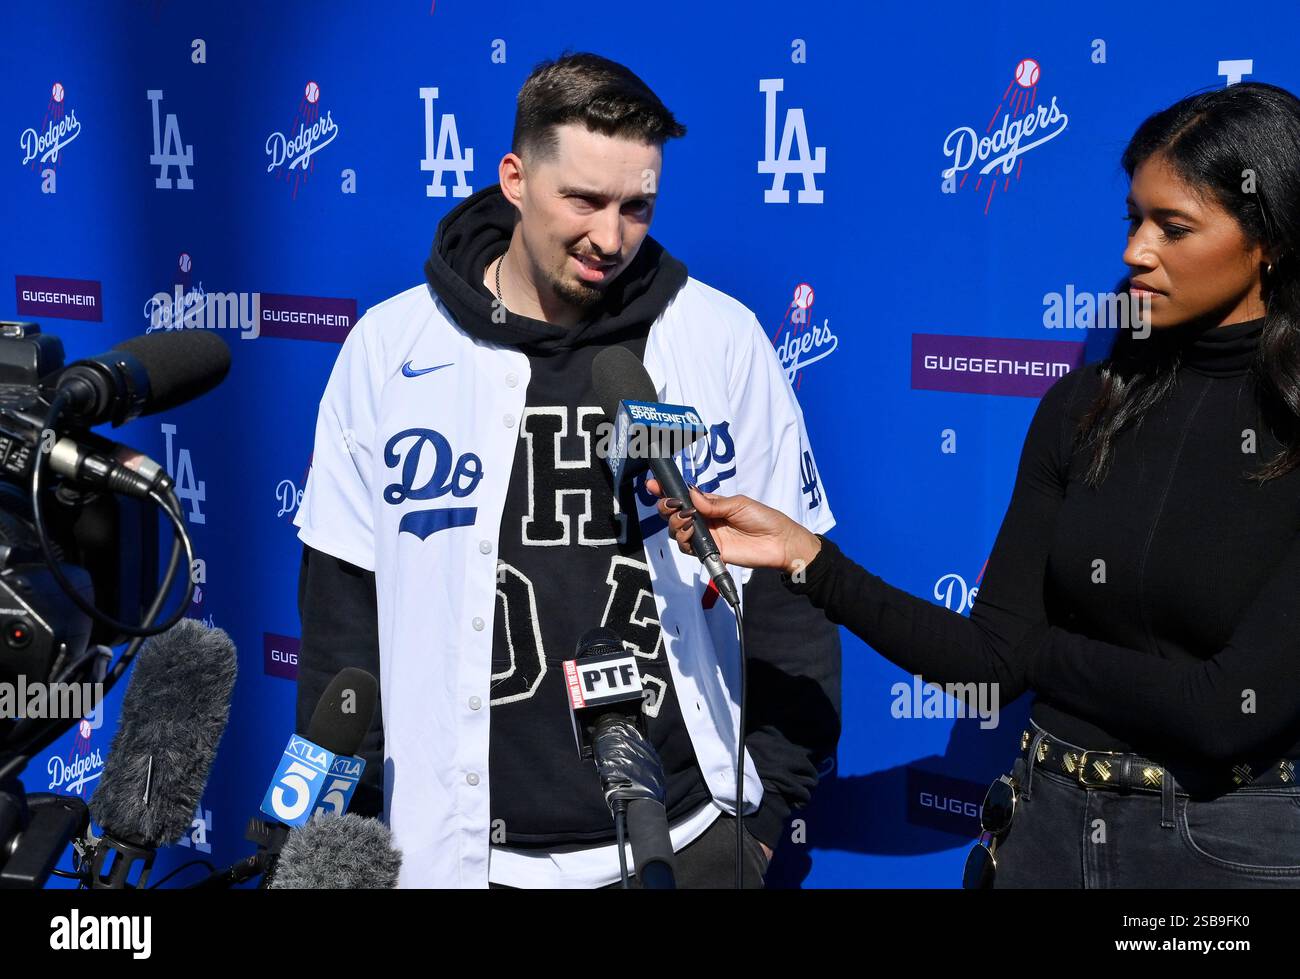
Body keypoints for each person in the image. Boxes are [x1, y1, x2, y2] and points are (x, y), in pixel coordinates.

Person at [649, 82, 1300, 888]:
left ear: (1267, 239)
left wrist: (1042, 654)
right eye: (1134, 218)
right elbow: (991, 664)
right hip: (1046, 831)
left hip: (1227, 854)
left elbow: (1223, 711)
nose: (1137, 249)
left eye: (1174, 227)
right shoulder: (1082, 407)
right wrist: (809, 557)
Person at [293, 52, 840, 888]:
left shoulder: (721, 342)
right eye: (582, 200)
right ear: (515, 178)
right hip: (456, 860)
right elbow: (342, 619)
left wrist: (757, 828)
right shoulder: (388, 348)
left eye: (637, 206)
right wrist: (355, 833)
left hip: (685, 846)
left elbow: (792, 601)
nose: (611, 237)